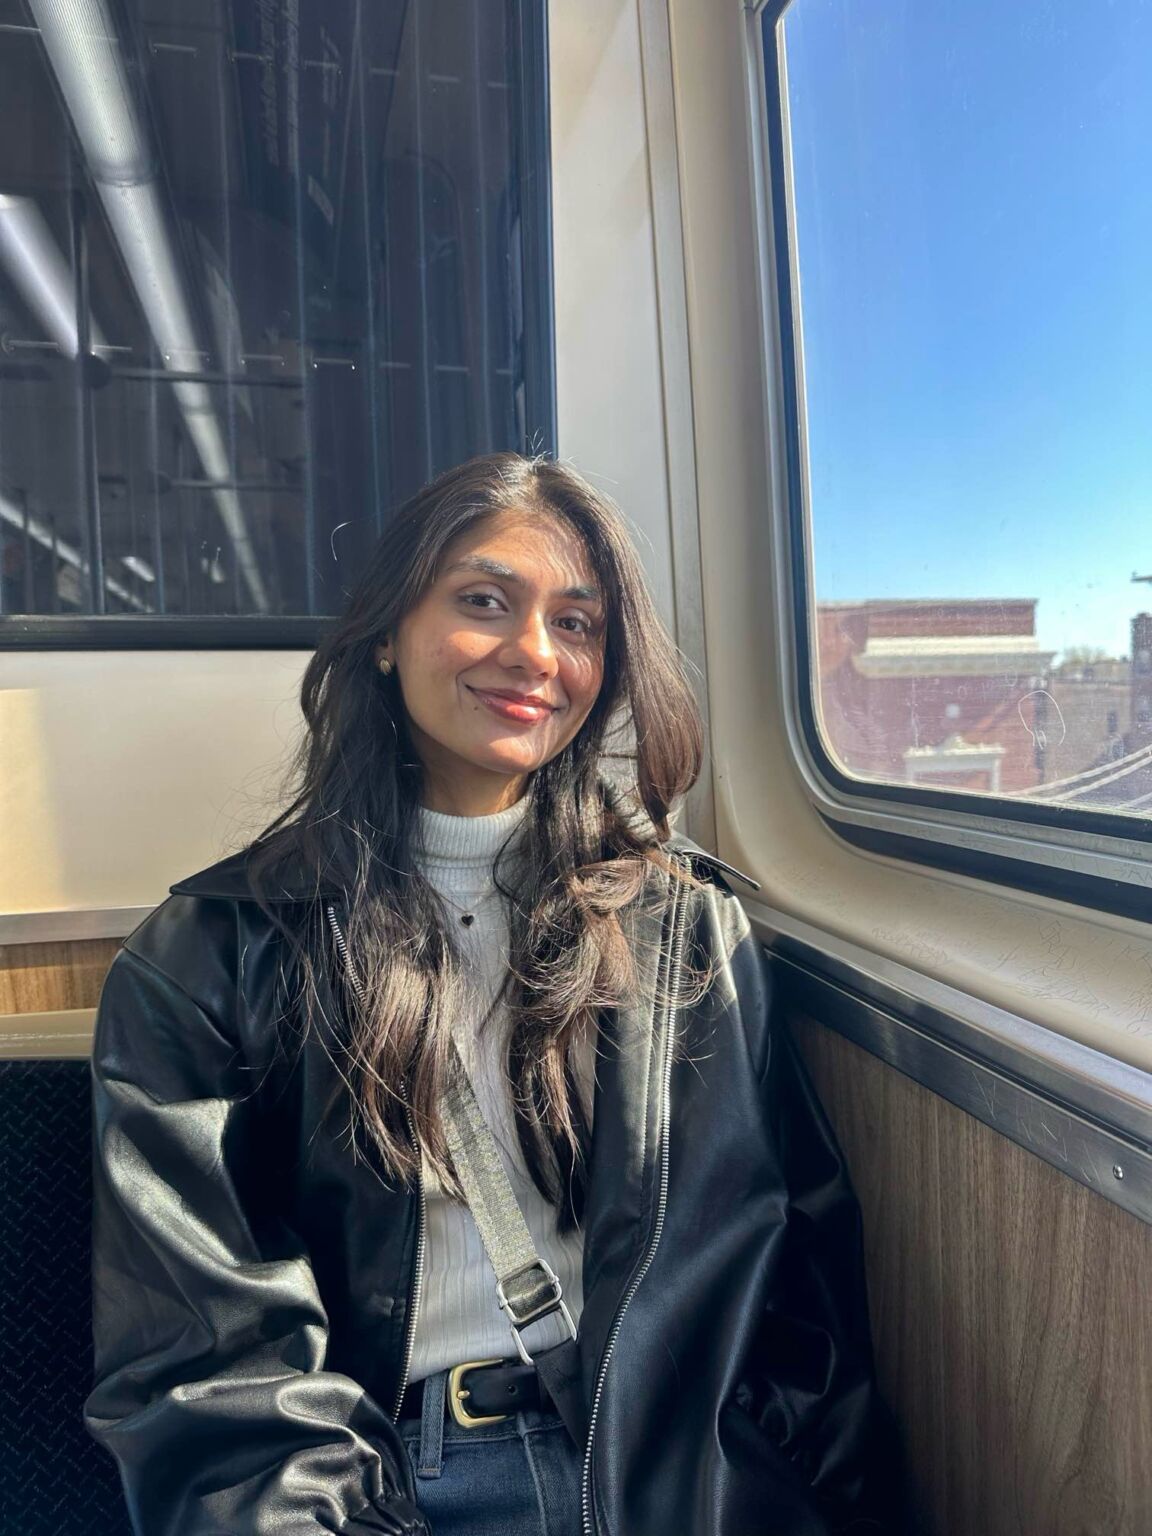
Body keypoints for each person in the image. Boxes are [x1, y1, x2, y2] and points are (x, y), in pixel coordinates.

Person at [85, 452, 903, 1536]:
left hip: (678, 1475)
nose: (535, 653)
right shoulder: (212, 951)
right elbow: (204, 1355)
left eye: (577, 623)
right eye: (483, 602)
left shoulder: (683, 930)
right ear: (387, 632)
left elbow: (798, 1272)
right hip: (387, 1486)